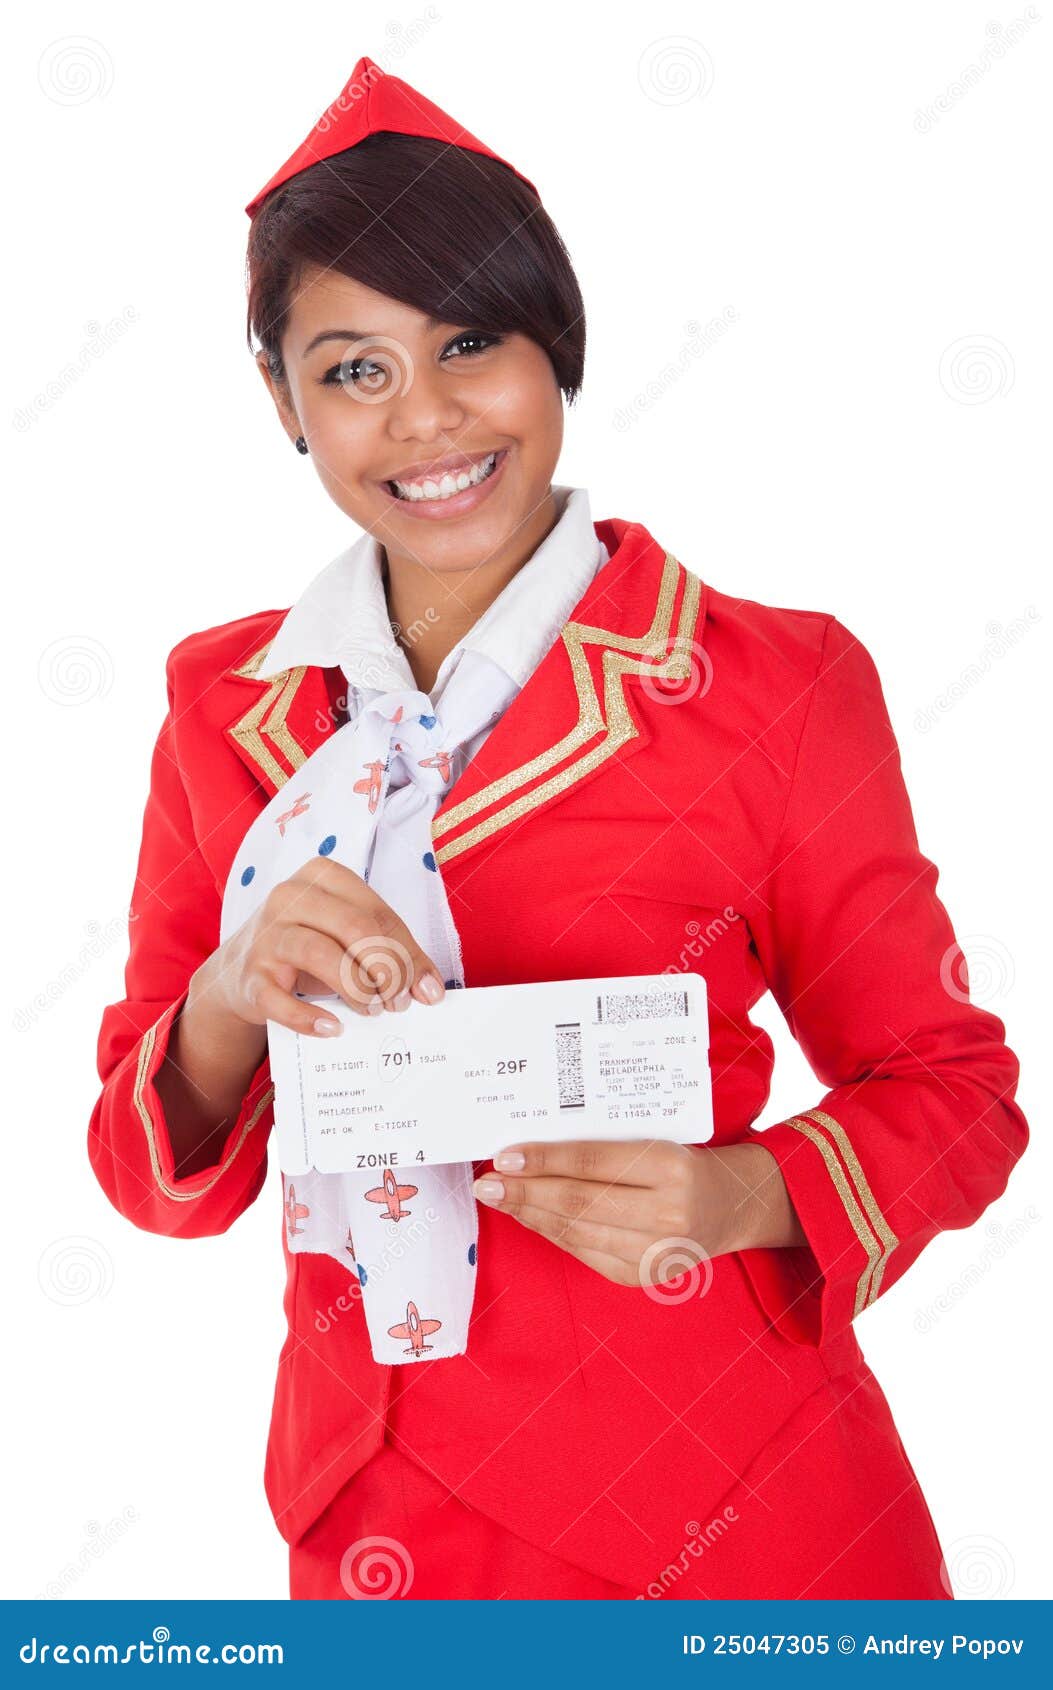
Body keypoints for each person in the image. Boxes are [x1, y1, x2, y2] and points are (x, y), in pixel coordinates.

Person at [87, 55, 1028, 1601]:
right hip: (364, 1515)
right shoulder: (225, 710)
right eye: (352, 369)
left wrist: (741, 1192)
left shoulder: (772, 685)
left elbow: (953, 1090)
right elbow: (145, 1168)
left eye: (470, 343)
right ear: (281, 399)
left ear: (554, 346)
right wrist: (229, 989)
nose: (428, 418)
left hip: (723, 1520)